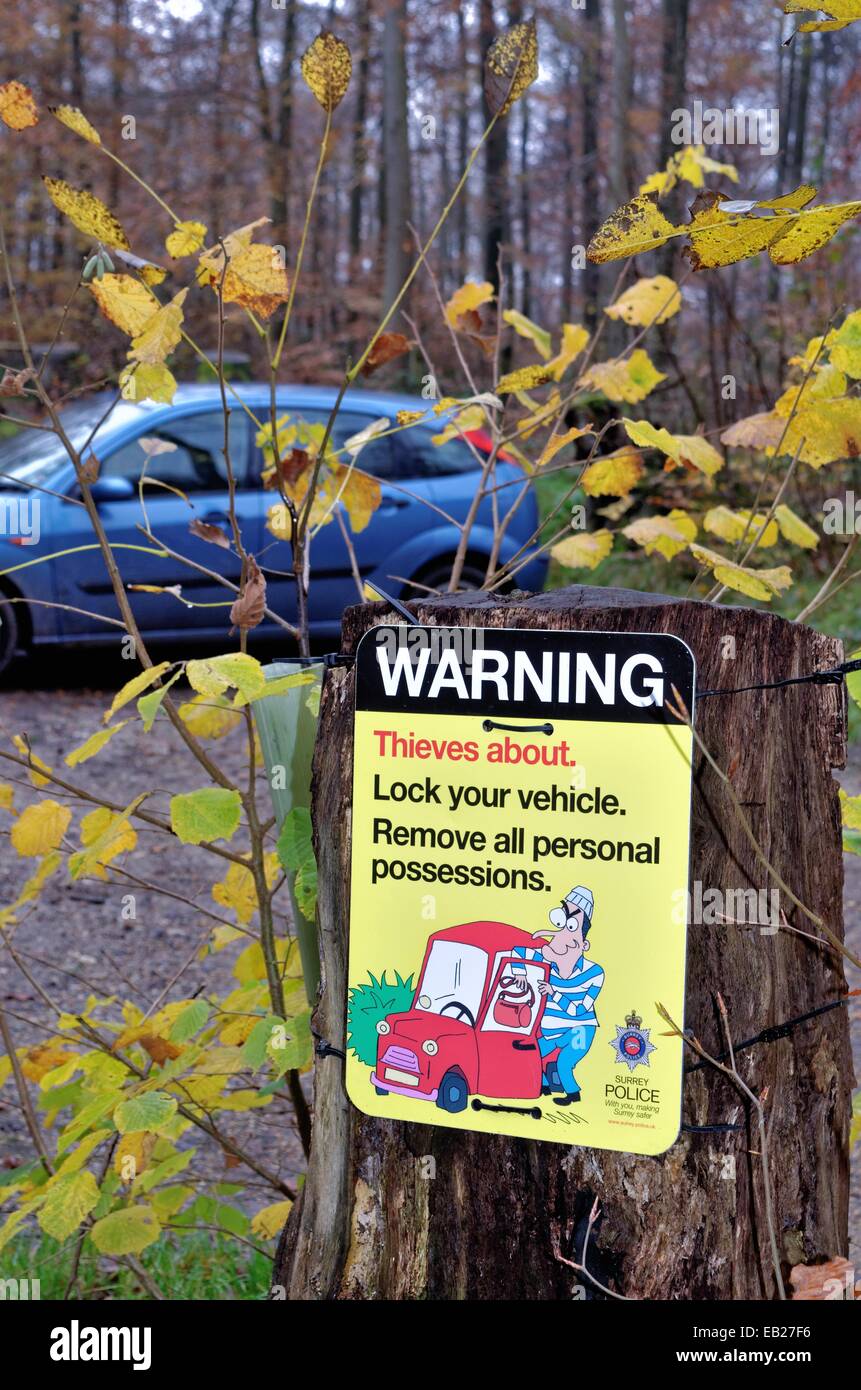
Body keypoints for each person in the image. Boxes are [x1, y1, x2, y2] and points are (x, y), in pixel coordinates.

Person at [514, 886, 604, 1105]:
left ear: (583, 944)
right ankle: (543, 1085)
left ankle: (572, 1093)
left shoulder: (594, 973)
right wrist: (521, 973)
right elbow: (517, 952)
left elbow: (580, 1009)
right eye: (562, 923)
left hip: (580, 1030)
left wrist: (554, 993)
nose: (562, 935)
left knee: (564, 1062)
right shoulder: (547, 963)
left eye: (571, 927)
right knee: (535, 1053)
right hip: (552, 1031)